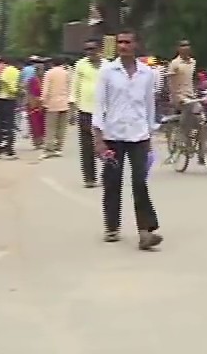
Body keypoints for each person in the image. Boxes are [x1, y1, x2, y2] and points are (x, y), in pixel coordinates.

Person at [92, 30, 163, 250]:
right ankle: (112, 226)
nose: (123, 46)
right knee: (112, 182)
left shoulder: (147, 74)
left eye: (127, 42)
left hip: (139, 135)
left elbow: (150, 106)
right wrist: (98, 139)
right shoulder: (107, 71)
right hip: (113, 135)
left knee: (140, 182)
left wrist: (150, 135)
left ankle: (145, 231)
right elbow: (99, 105)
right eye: (120, 42)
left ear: (136, 45)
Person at [71, 40, 105, 188]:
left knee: (107, 145)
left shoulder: (108, 66)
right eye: (86, 49)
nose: (89, 52)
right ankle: (89, 178)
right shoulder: (80, 65)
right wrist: (73, 108)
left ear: (100, 49)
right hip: (85, 110)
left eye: (92, 49)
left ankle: (108, 175)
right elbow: (75, 86)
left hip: (104, 112)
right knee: (87, 146)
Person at [41, 57, 72, 158]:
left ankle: (49, 149)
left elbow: (46, 90)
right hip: (64, 104)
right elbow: (69, 88)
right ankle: (59, 148)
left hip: (52, 104)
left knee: (50, 128)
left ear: (52, 63)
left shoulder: (49, 73)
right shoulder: (66, 73)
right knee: (61, 128)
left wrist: (43, 102)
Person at [167, 40, 198, 139]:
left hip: (192, 95)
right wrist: (175, 96)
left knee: (201, 116)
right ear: (178, 48)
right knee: (187, 113)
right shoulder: (174, 64)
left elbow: (194, 78)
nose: (185, 47)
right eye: (183, 45)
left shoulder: (193, 62)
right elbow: (170, 82)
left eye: (187, 45)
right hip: (179, 96)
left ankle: (201, 148)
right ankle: (183, 136)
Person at [0, 57, 21, 160]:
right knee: (10, 125)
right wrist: (15, 91)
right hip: (9, 100)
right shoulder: (14, 71)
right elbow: (11, 85)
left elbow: (0, 81)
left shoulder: (3, 70)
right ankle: (9, 149)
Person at [25, 59, 46, 149]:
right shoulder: (32, 80)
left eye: (43, 69)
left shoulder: (44, 79)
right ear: (36, 71)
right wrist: (34, 104)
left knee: (42, 124)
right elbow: (30, 93)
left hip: (43, 104)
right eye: (40, 69)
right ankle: (36, 142)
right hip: (33, 104)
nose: (42, 71)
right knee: (35, 124)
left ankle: (42, 141)